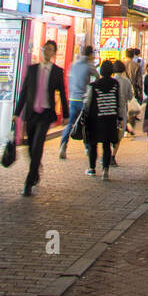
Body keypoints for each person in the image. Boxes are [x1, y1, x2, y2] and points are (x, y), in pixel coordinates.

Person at [14, 40, 68, 197]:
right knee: (30, 147)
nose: (47, 52)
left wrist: (65, 114)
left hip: (45, 113)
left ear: (54, 53)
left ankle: (28, 182)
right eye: (45, 49)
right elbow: (24, 91)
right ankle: (35, 169)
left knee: (37, 145)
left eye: (51, 49)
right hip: (31, 113)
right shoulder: (32, 70)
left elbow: (63, 94)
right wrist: (17, 112)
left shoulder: (57, 72)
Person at [83, 59, 126, 179]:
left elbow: (87, 102)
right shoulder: (115, 84)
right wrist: (120, 117)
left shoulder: (94, 85)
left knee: (93, 144)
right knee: (106, 145)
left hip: (95, 119)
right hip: (110, 119)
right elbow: (120, 101)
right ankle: (105, 171)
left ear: (101, 71)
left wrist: (85, 114)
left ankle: (92, 169)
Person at [58, 46, 98, 160]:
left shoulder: (73, 64)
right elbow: (97, 77)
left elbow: (69, 80)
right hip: (83, 99)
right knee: (86, 124)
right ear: (90, 55)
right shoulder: (89, 65)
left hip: (72, 98)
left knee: (70, 124)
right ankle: (87, 148)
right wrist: (90, 88)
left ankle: (63, 146)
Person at [111, 60, 134, 162]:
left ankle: (107, 155)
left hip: (111, 110)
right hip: (122, 110)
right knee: (119, 133)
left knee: (109, 132)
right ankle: (113, 156)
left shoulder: (111, 80)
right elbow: (130, 97)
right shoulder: (126, 81)